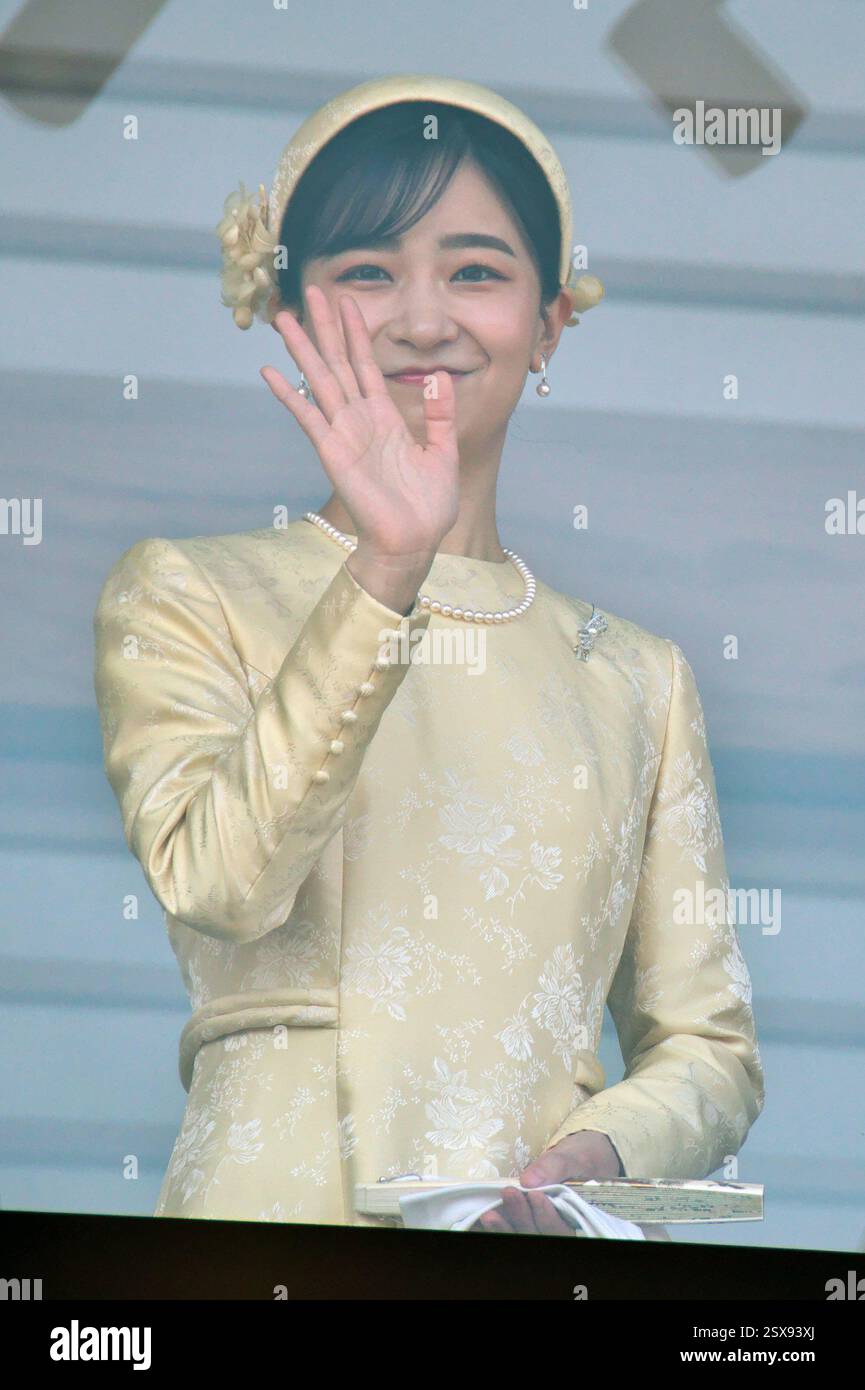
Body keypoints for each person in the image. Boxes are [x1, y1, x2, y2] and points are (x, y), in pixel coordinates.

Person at [92, 74, 764, 1240]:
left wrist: (592, 1157)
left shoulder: (636, 678)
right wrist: (386, 568)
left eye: (475, 270)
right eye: (365, 271)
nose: (420, 316)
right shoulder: (191, 589)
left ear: (550, 322)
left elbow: (708, 1049)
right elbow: (224, 883)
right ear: (285, 304)